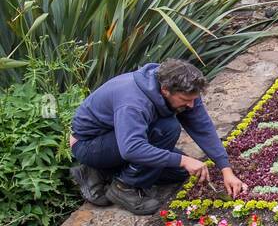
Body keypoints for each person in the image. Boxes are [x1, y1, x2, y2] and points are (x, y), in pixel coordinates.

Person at [68, 59, 248, 216]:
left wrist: (226, 169)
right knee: (167, 129)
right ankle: (124, 187)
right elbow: (132, 148)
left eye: (194, 98)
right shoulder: (133, 102)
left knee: (180, 173)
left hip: (118, 139)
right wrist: (183, 159)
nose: (192, 104)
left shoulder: (186, 89)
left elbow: (202, 127)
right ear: (165, 90)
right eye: (186, 99)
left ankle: (100, 172)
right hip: (89, 144)